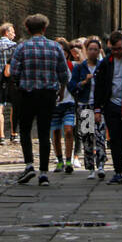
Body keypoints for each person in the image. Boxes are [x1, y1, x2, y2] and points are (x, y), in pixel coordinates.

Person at [9, 13, 70, 185]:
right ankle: (44, 172)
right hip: (48, 94)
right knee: (44, 132)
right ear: (44, 29)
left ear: (28, 29)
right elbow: (64, 74)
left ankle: (29, 164)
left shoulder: (22, 47)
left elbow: (14, 72)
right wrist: (61, 90)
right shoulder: (55, 47)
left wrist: (21, 83)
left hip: (27, 94)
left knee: (25, 130)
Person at [93, 30, 122, 183]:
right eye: (113, 49)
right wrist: (97, 109)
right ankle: (119, 170)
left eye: (119, 49)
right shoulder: (106, 63)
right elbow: (99, 87)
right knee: (115, 139)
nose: (116, 52)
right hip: (111, 104)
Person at [69, 35, 107, 179]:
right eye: (90, 49)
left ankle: (101, 165)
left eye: (95, 49)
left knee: (100, 136)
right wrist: (83, 82)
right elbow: (72, 86)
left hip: (99, 106)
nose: (93, 52)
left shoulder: (103, 67)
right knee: (87, 137)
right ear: (86, 50)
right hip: (84, 106)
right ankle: (91, 168)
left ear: (99, 51)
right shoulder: (80, 68)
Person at [51, 37, 78, 172]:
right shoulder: (50, 66)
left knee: (68, 131)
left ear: (67, 52)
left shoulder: (72, 66)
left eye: (63, 50)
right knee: (55, 133)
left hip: (69, 102)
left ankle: (69, 161)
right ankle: (60, 160)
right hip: (54, 103)